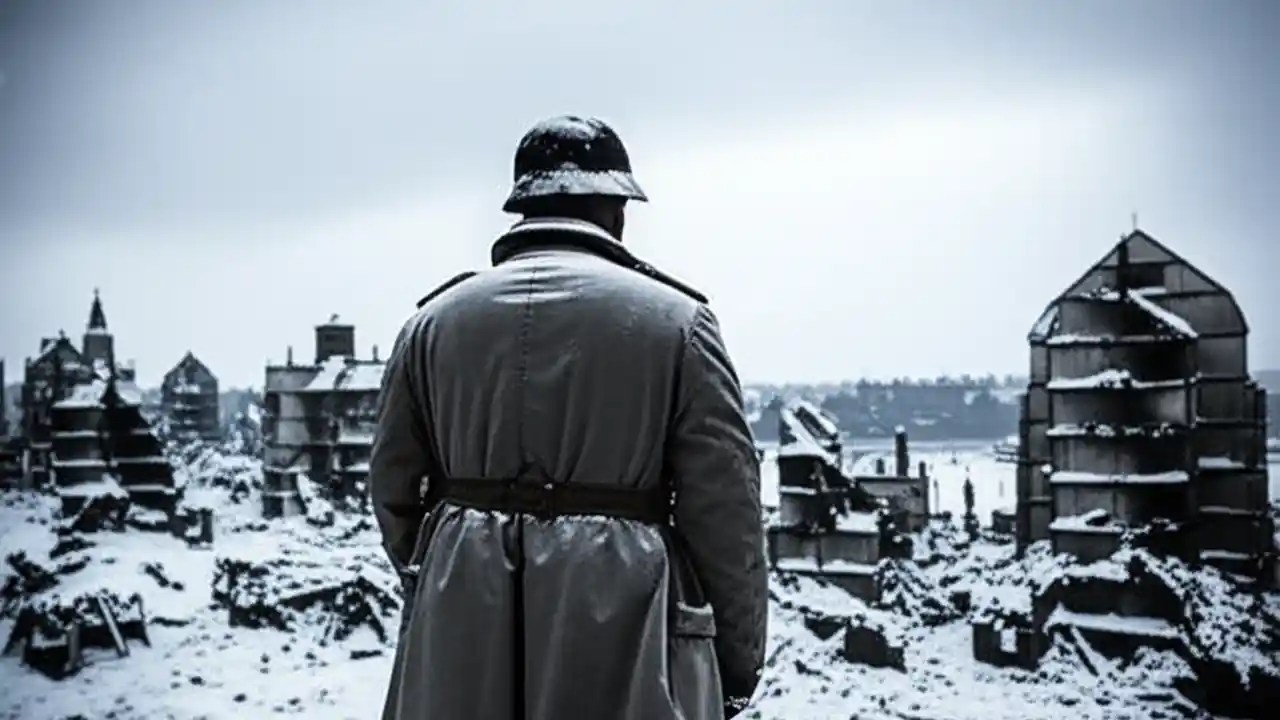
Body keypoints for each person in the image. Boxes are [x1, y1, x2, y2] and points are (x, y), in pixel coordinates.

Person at [370, 115, 767, 720]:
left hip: (460, 599)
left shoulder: (431, 324)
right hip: (623, 601)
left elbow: (392, 488)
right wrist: (733, 661)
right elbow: (725, 511)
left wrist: (447, 573)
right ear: (616, 211)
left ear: (522, 208)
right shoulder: (678, 324)